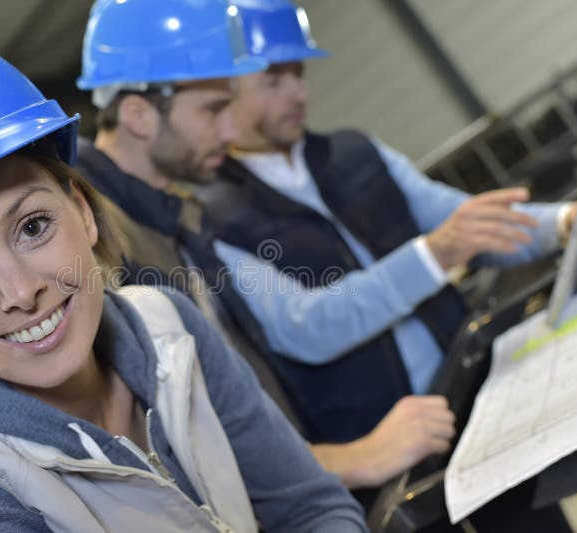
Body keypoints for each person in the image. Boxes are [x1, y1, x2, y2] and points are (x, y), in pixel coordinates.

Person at [0, 39, 367, 532]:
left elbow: (313, 508)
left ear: (84, 212)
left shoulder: (167, 324)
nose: (21, 292)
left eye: (32, 227)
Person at [75, 0, 456, 490]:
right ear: (138, 115)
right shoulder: (98, 247)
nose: (232, 132)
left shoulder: (179, 218)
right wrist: (348, 458)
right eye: (214, 110)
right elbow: (174, 437)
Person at [200, 0, 577, 446]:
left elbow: (463, 223)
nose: (297, 93)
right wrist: (433, 255)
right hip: (389, 443)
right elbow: (305, 328)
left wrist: (570, 221)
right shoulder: (217, 221)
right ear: (221, 91)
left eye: (298, 73)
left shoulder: (355, 152)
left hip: (479, 391)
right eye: (273, 80)